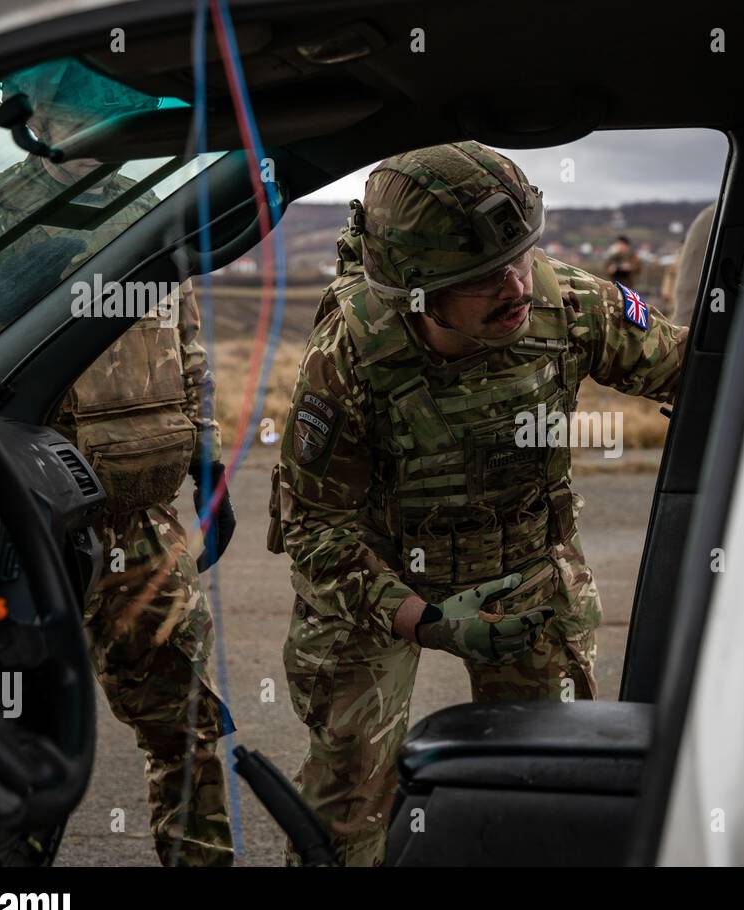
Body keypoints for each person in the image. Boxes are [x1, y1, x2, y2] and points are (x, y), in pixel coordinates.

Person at [271, 141, 688, 865]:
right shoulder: (352, 354)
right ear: (418, 292)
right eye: (483, 277)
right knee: (346, 810)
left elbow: (700, 374)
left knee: (557, 791)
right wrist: (423, 619)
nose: (517, 285)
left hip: (526, 566)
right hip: (380, 574)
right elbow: (316, 527)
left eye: (522, 257)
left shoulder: (572, 305)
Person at [0, 60, 235, 866]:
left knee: (191, 731)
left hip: (148, 527)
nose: (113, 136)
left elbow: (184, 340)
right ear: (40, 115)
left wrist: (204, 452)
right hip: (34, 524)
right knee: (15, 745)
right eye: (95, 115)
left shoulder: (148, 211)